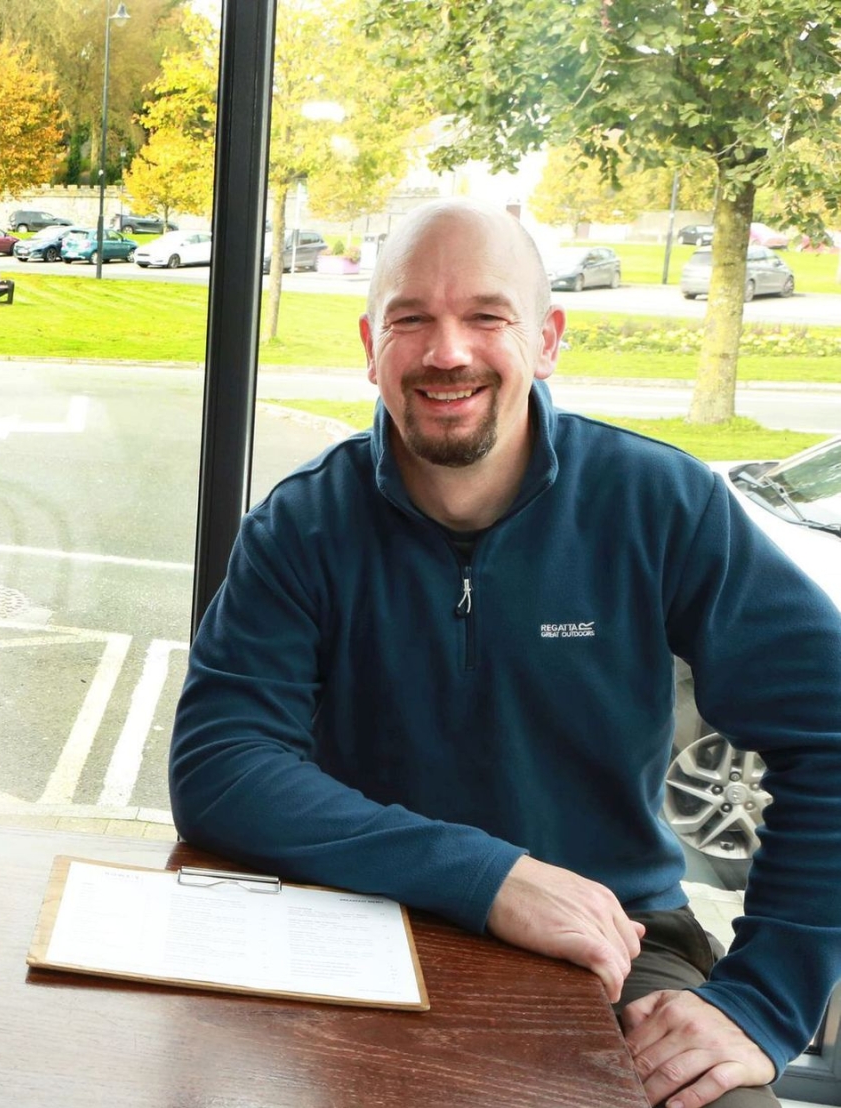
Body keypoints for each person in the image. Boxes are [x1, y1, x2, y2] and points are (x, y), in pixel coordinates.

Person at [168, 199, 841, 1108]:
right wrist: (488, 877)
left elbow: (830, 733)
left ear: (548, 338)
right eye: (413, 320)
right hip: (359, 924)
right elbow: (220, 767)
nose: (448, 351)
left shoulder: (659, 504)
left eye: (486, 316)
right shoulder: (302, 527)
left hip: (621, 943)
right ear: (373, 346)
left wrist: (764, 1002)